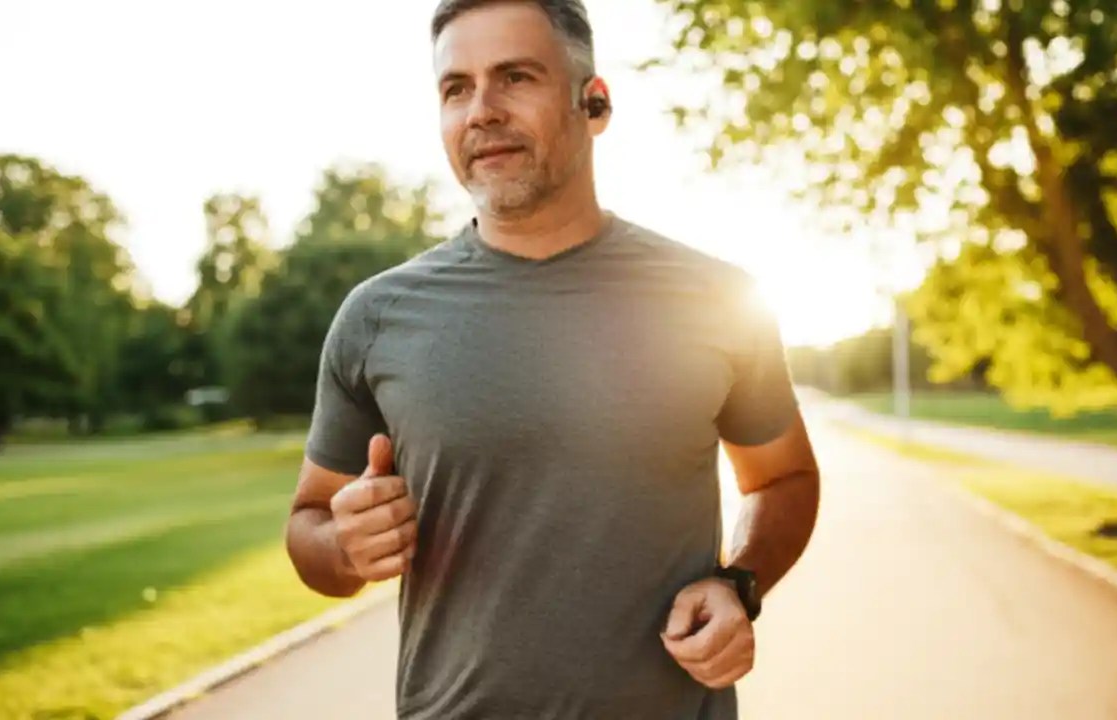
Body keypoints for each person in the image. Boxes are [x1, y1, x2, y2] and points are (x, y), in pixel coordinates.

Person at [284, 1, 822, 717]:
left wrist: (740, 584)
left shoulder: (718, 298)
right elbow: (309, 525)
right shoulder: (375, 318)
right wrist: (345, 548)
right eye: (456, 89)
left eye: (515, 77)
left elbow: (782, 478)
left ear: (593, 102)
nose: (482, 111)